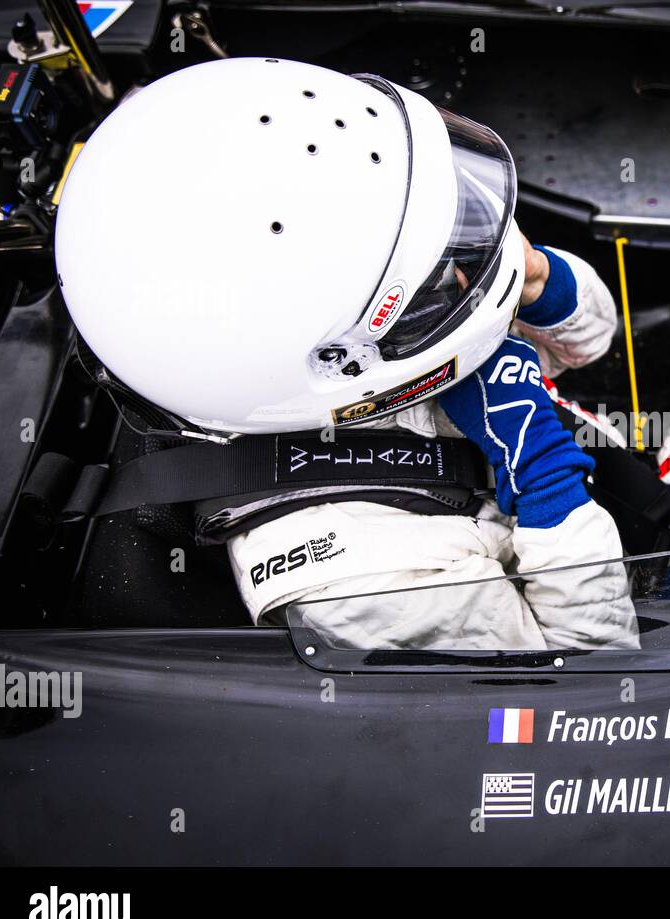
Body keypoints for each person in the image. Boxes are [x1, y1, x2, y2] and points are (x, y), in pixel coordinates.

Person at [54, 57, 639, 651]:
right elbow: (590, 679)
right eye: (445, 273)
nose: (475, 271)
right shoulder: (355, 587)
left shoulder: (389, 280)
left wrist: (538, 278)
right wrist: (544, 481)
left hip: (614, 459)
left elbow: (591, 343)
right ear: (340, 365)